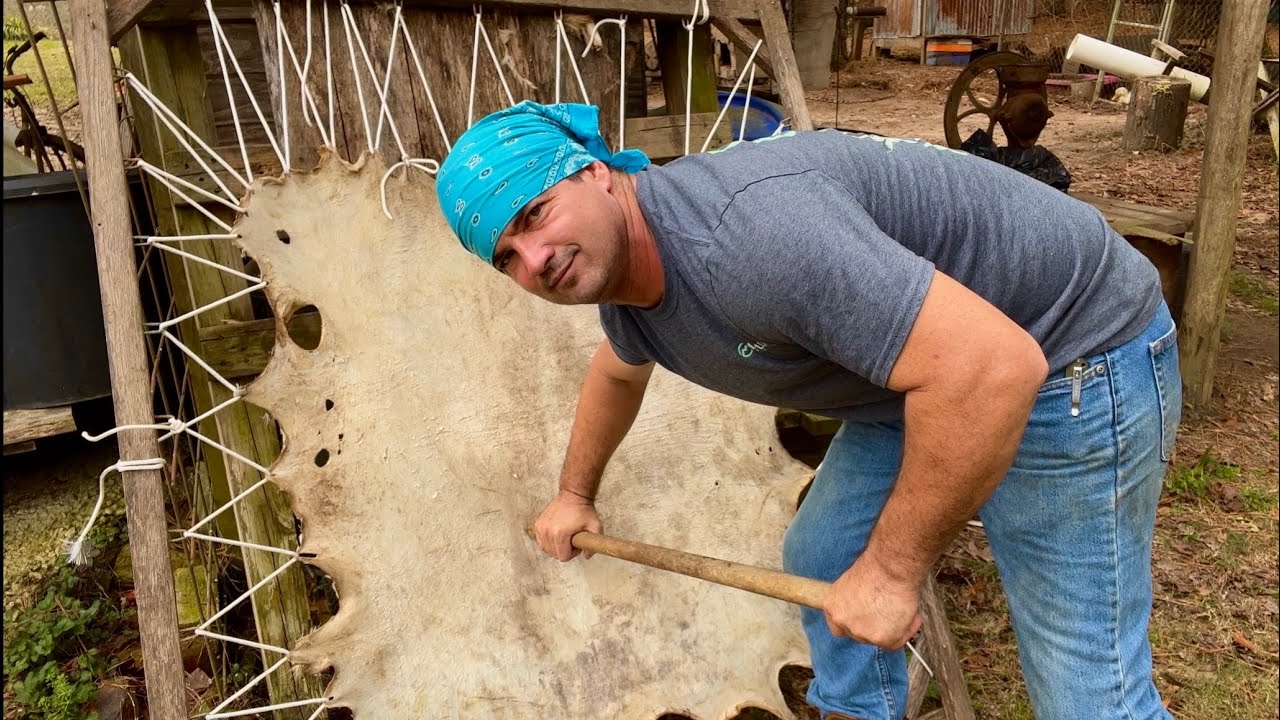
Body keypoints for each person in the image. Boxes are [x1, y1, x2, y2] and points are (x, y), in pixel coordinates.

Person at [436, 101, 1181, 720]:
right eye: (506, 255)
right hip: (931, 372)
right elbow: (616, 376)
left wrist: (891, 575)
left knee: (1085, 682)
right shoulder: (633, 291)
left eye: (535, 215)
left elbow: (993, 367)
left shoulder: (748, 242)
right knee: (824, 560)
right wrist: (574, 495)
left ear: (596, 175)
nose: (534, 259)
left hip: (1069, 347)